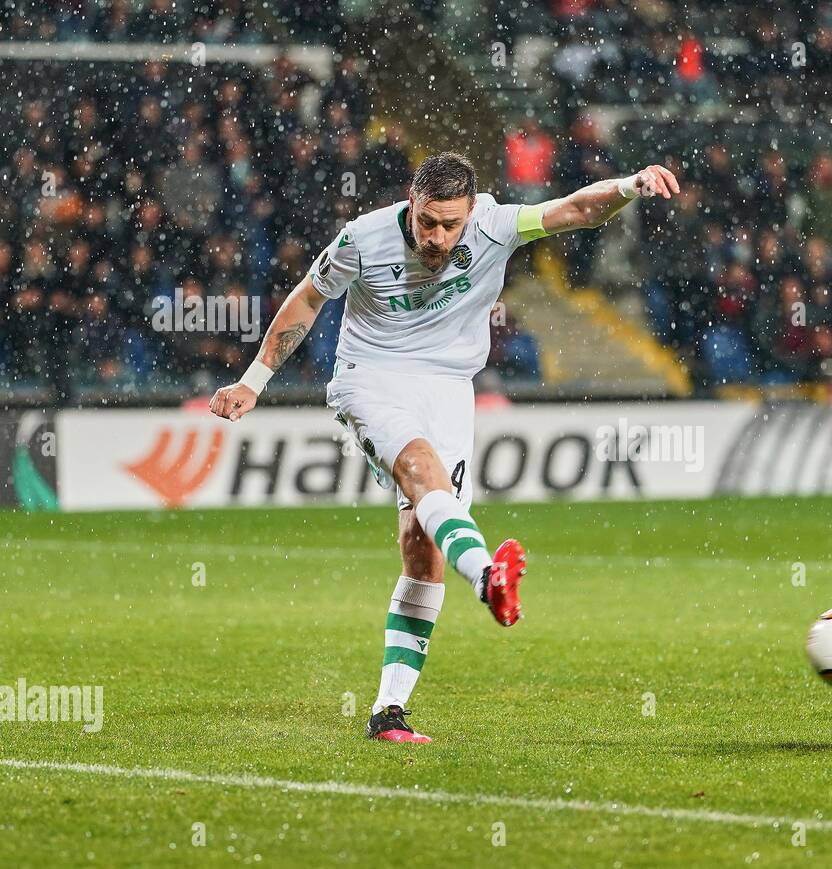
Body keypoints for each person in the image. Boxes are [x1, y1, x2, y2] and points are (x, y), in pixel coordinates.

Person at [209, 152, 679, 741]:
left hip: (450, 388)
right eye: (427, 221)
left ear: (470, 212)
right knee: (421, 469)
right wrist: (255, 380)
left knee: (422, 546)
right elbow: (309, 296)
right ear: (411, 202)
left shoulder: (495, 225)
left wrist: (630, 184)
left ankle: (388, 713)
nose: (436, 237)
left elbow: (579, 210)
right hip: (371, 376)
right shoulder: (362, 237)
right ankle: (488, 578)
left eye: (449, 225)